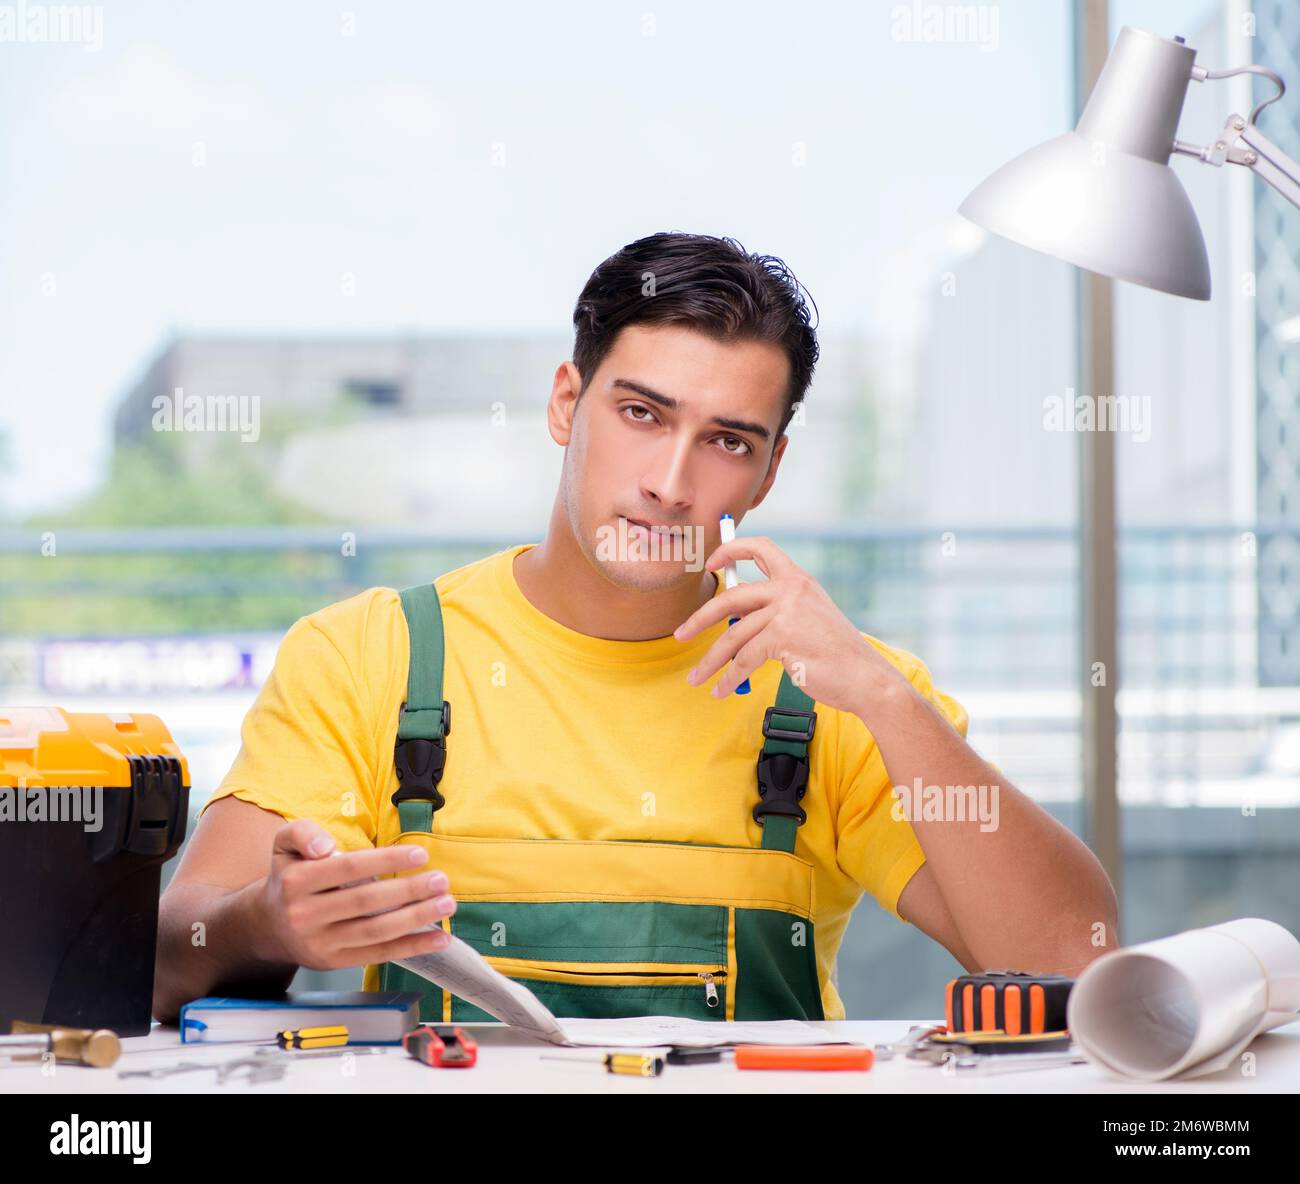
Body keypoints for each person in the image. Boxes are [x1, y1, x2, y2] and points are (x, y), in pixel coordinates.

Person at [153, 231, 1117, 1025]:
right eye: (643, 414)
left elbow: (1078, 965)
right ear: (568, 404)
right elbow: (166, 959)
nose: (671, 480)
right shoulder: (371, 659)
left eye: (728, 441)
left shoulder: (834, 694)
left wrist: (883, 699)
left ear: (769, 472)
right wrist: (270, 923)